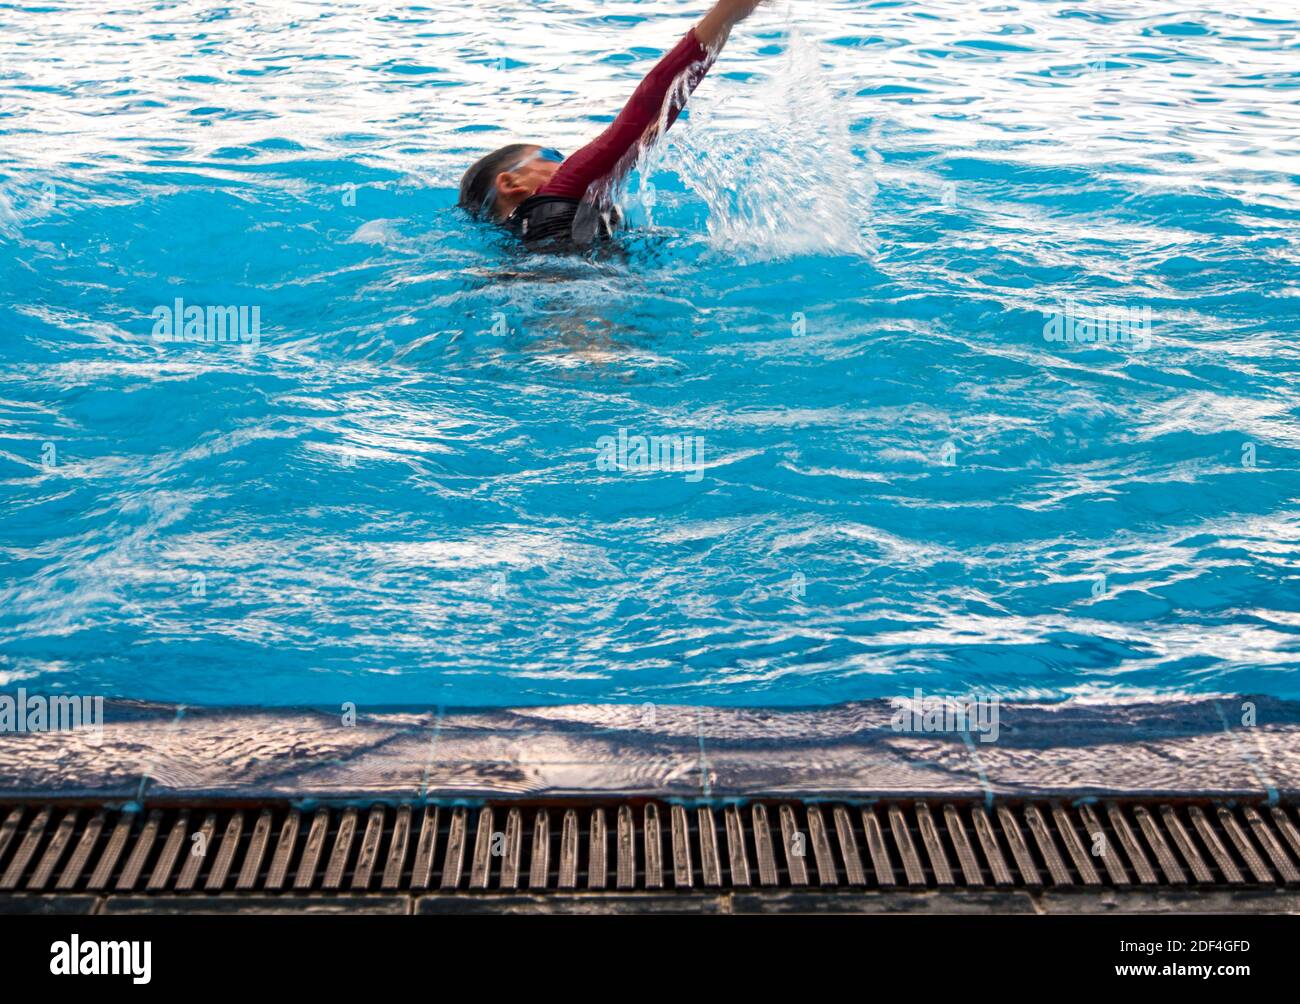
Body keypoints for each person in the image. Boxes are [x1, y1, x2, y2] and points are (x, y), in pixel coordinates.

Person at [458, 0, 763, 249]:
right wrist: (726, 13)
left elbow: (650, 126)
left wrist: (726, 24)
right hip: (585, 304)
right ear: (511, 183)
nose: (566, 161)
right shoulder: (557, 191)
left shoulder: (525, 240)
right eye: (552, 156)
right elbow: (645, 107)